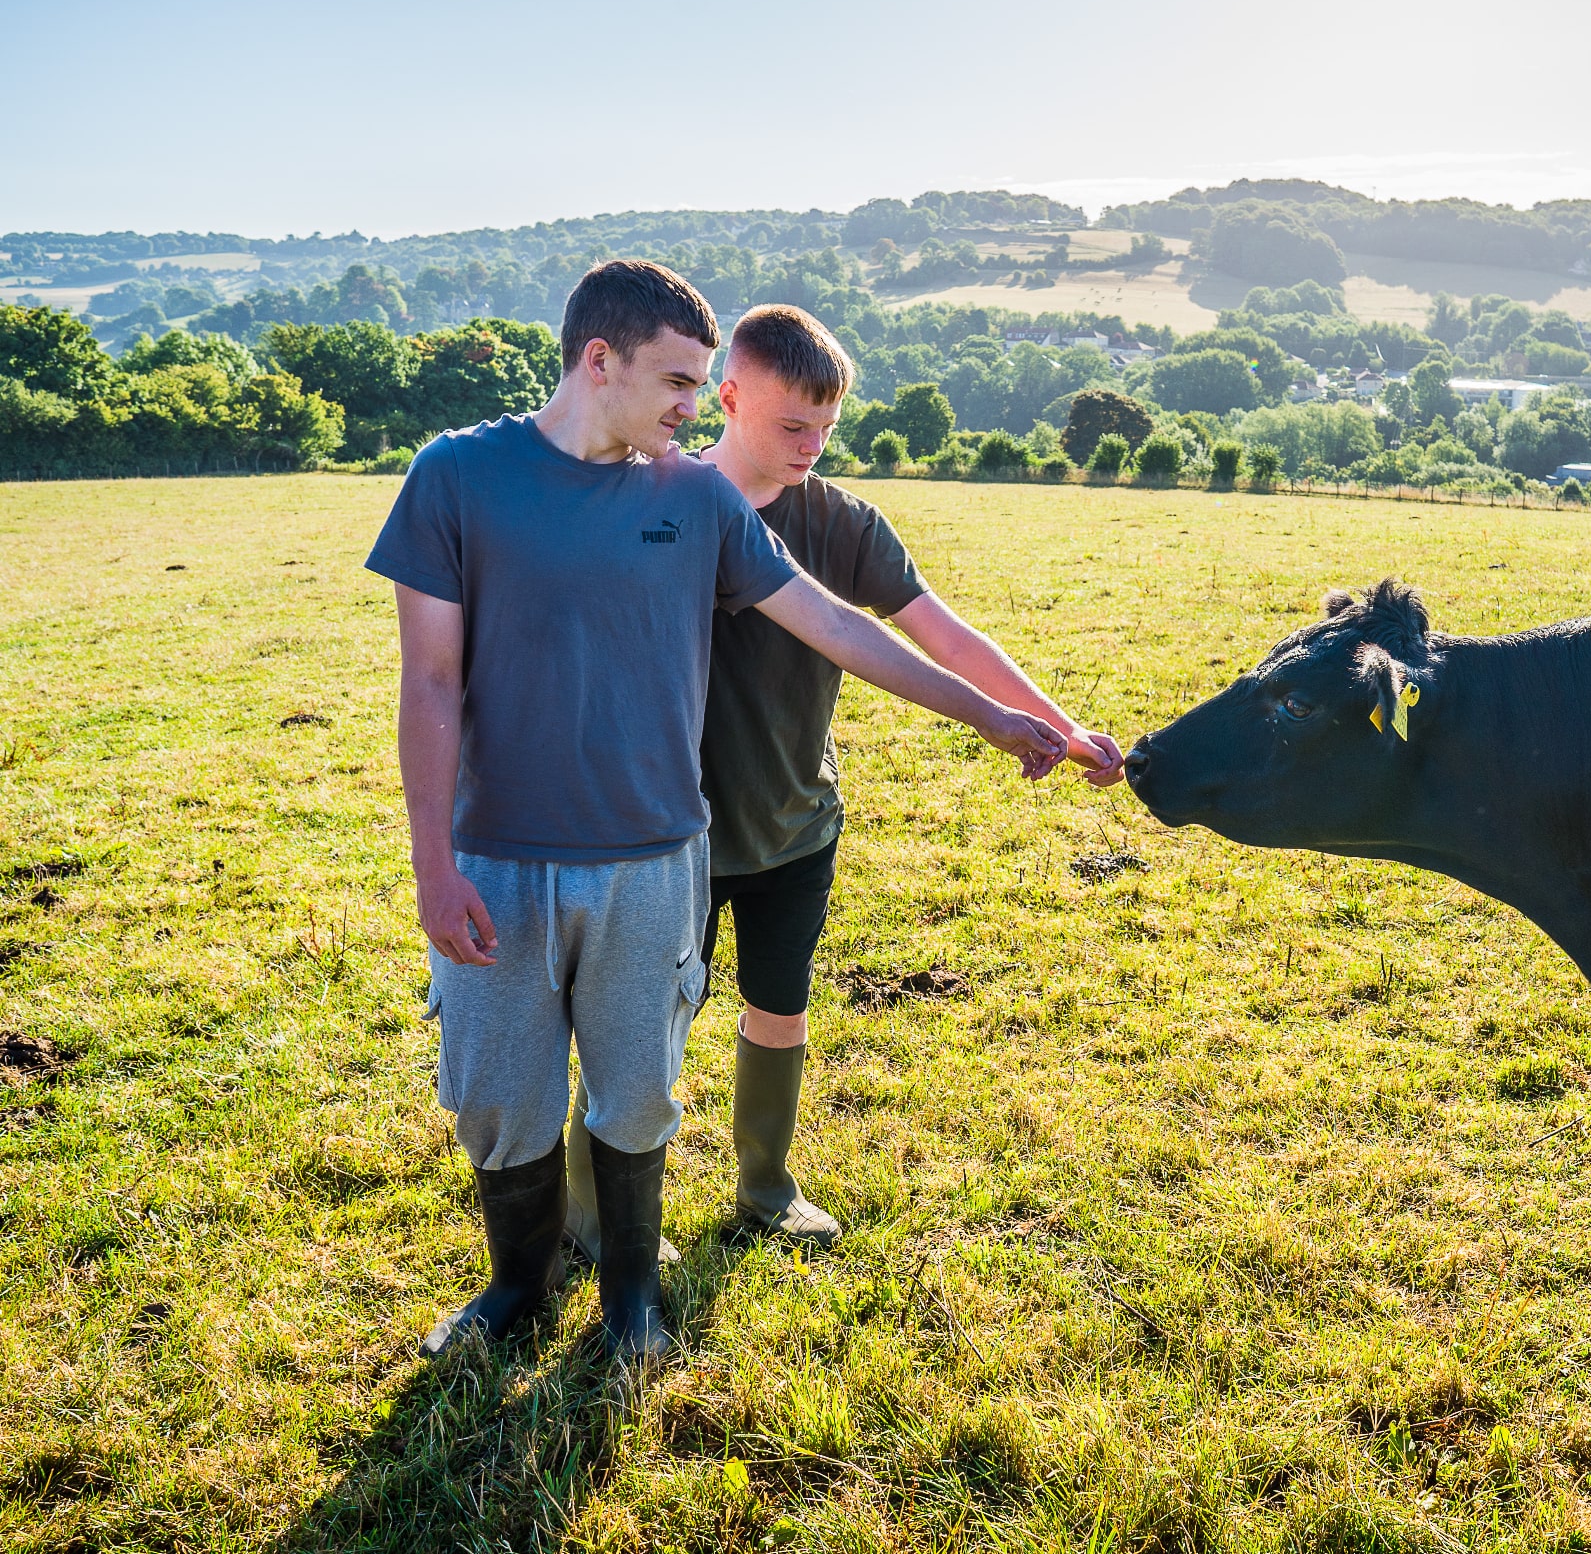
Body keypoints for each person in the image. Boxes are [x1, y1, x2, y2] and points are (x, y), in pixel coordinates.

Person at [369, 260, 1068, 1361]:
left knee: (640, 1091)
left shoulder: (691, 498)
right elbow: (427, 684)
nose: (695, 410)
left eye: (703, 384)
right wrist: (431, 868)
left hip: (656, 862)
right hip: (497, 860)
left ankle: (632, 1294)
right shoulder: (456, 476)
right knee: (501, 1098)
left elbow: (841, 627)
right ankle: (517, 1285)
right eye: (679, 382)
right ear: (599, 362)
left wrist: (992, 716)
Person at [559, 303, 1123, 1262]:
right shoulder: (652, 502)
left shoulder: (846, 523)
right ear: (727, 397)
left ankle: (767, 1188)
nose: (812, 447)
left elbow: (942, 635)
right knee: (640, 1032)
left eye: (826, 429)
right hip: (667, 839)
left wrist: (1063, 729)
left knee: (779, 1010)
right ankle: (590, 1212)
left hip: (795, 827)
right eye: (791, 427)